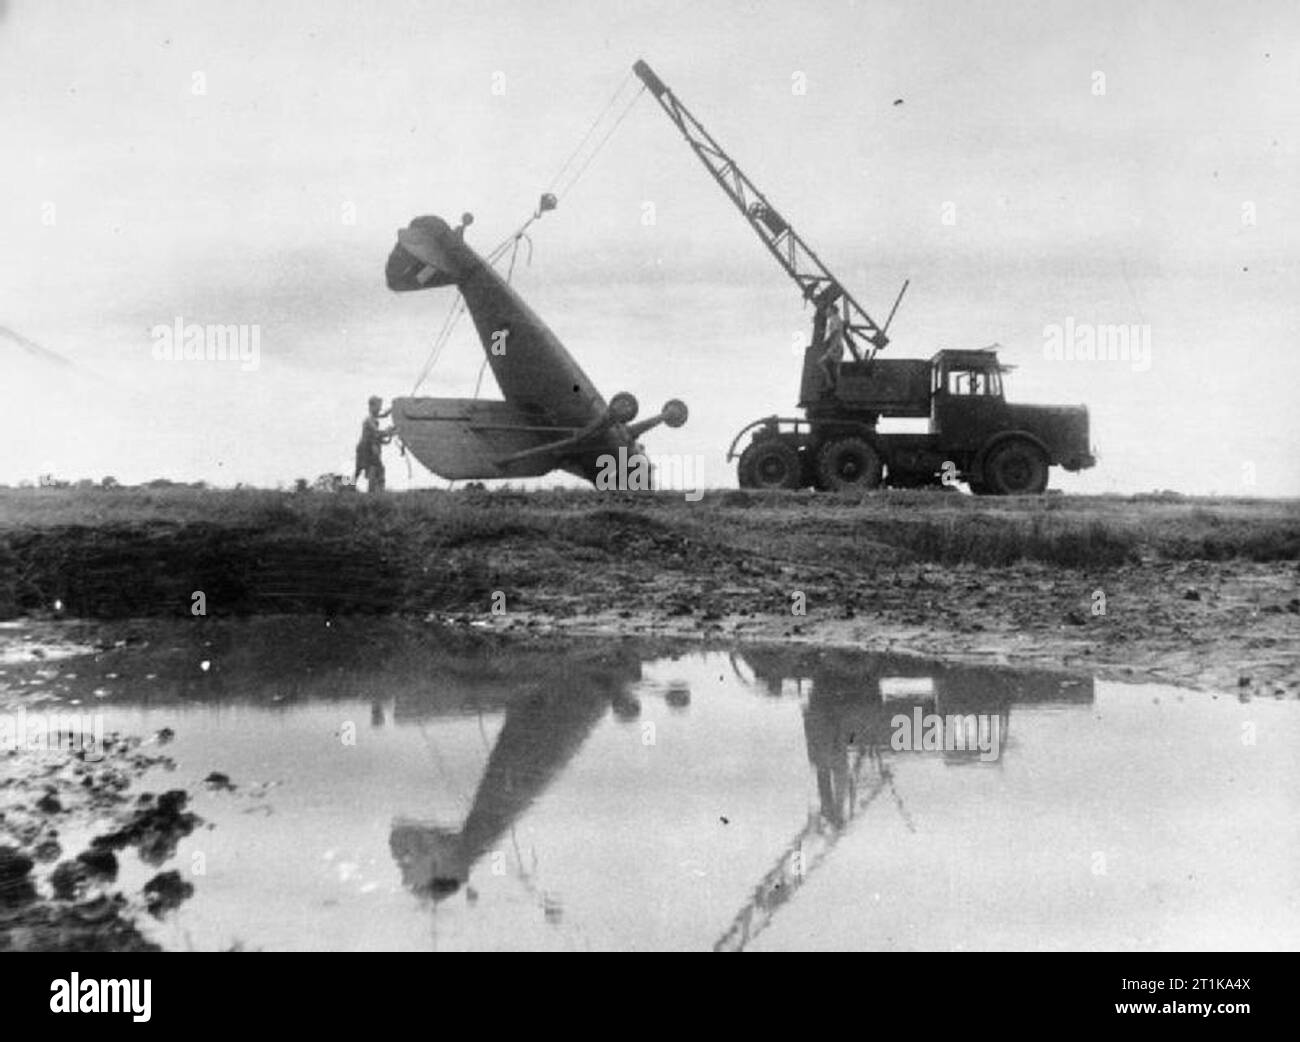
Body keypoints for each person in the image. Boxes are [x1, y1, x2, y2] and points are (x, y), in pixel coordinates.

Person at [354, 396, 394, 492]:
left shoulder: (373, 419)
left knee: (366, 470)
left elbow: (384, 415)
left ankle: (374, 491)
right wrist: (388, 432)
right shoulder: (368, 420)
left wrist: (390, 434)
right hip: (366, 449)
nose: (380, 409)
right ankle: (345, 485)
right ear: (371, 406)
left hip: (371, 448)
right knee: (360, 471)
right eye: (378, 406)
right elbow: (377, 433)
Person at [819, 303, 848, 392]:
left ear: (832, 310)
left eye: (827, 309)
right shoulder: (837, 318)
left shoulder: (834, 318)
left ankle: (830, 384)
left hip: (835, 348)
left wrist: (827, 342)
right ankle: (836, 387)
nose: (826, 311)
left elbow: (834, 333)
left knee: (821, 363)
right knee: (835, 368)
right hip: (838, 347)